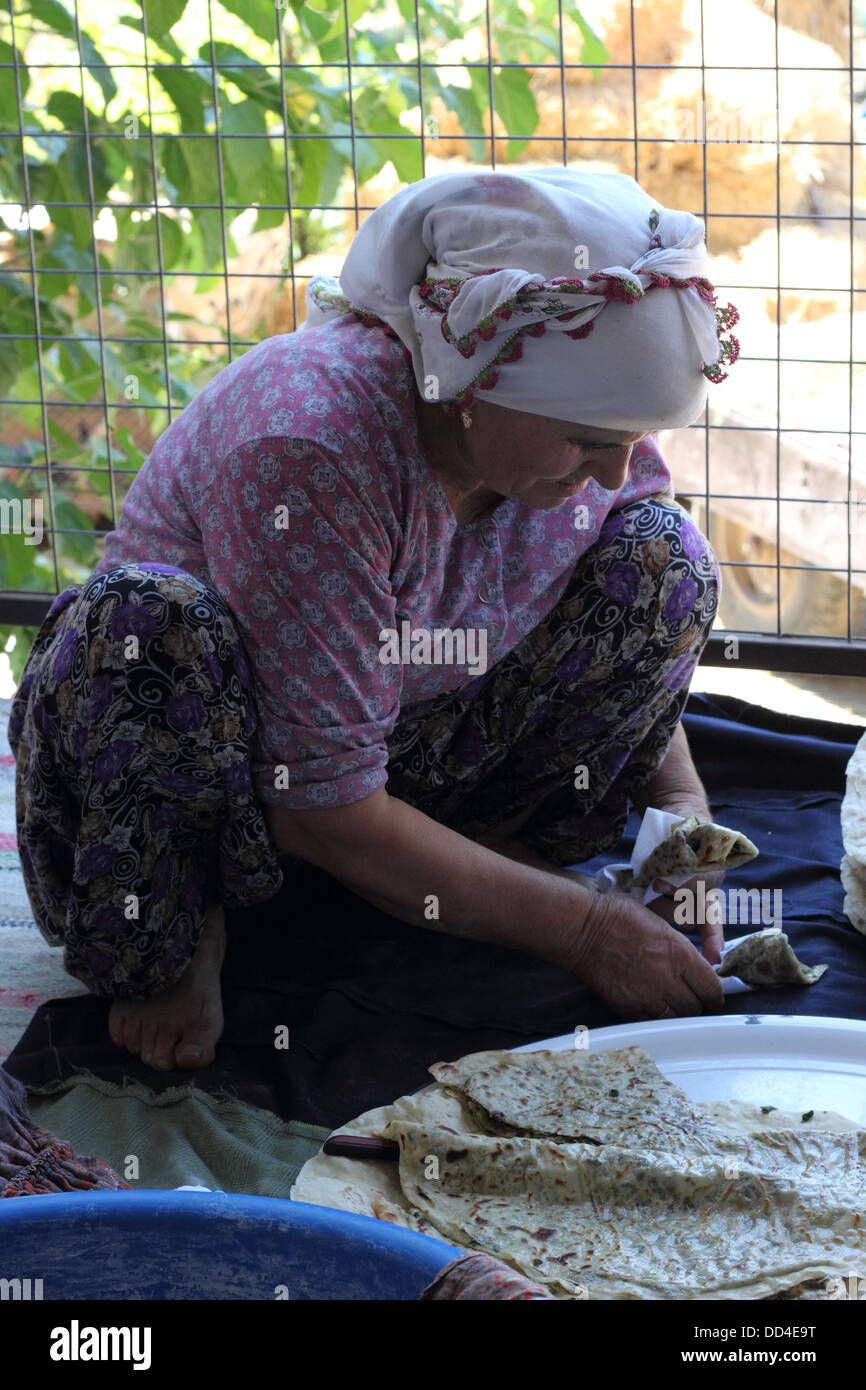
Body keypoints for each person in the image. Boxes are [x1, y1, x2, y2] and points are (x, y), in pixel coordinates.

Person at [8, 166, 740, 1072]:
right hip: (204, 779)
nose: (611, 471)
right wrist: (589, 931)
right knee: (150, 620)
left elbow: (627, 540)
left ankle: (456, 870)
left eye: (630, 437)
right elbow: (322, 803)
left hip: (388, 746)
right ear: (473, 378)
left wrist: (683, 817)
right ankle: (188, 923)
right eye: (592, 442)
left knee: (661, 555)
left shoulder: (566, 404)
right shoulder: (313, 445)